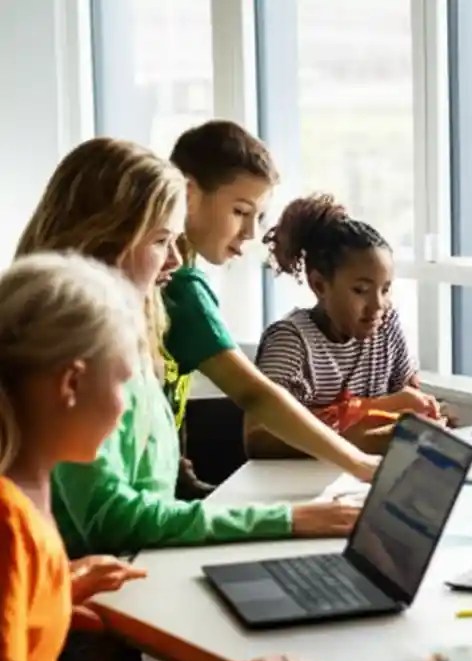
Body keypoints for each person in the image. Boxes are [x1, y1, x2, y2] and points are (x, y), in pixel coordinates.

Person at [0, 253, 339, 661]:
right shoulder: (10, 518)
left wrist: (60, 589)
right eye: (124, 384)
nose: (126, 408)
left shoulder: (27, 495)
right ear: (71, 384)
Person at [15, 137, 359, 557]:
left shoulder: (140, 317)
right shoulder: (66, 350)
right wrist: (287, 519)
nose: (175, 262)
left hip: (135, 563)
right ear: (104, 236)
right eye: (161, 242)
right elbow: (110, 518)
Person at [166, 120, 378, 479]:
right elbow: (258, 396)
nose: (250, 233)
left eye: (258, 217)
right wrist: (360, 463)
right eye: (240, 212)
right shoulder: (182, 287)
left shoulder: (178, 279)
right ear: (189, 195)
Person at [249, 193, 442, 456]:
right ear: (319, 285)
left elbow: (409, 400)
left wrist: (425, 418)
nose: (377, 306)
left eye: (385, 290)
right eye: (361, 290)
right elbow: (258, 438)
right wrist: (369, 421)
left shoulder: (386, 327)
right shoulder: (291, 341)